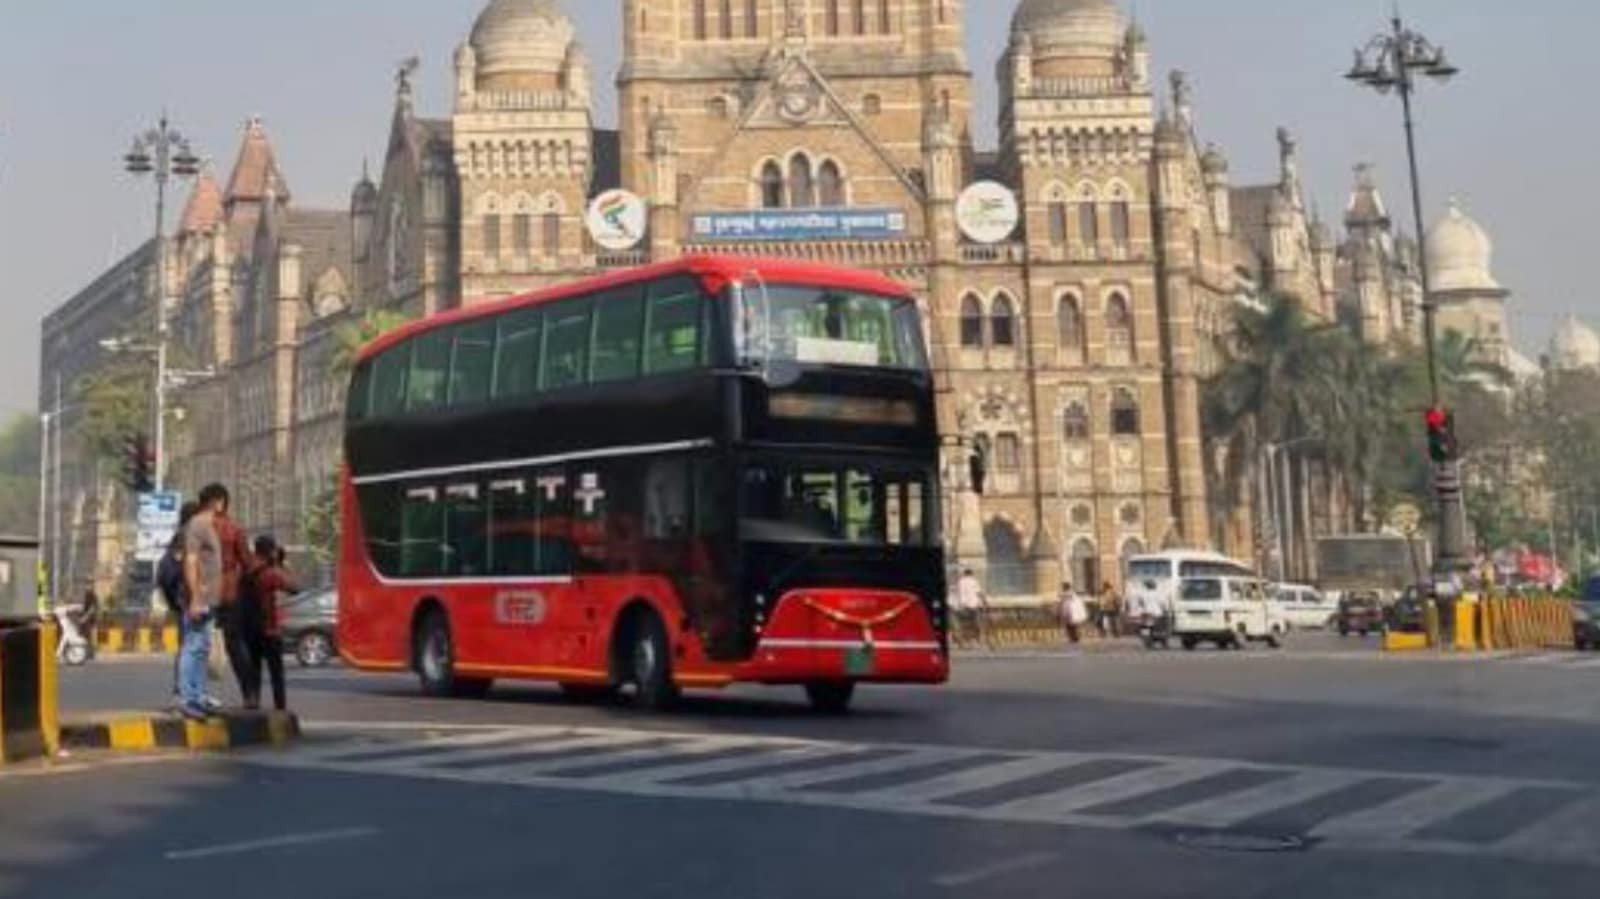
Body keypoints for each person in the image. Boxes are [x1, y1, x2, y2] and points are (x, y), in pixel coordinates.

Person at [178, 485, 229, 721]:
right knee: (192, 647)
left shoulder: (209, 527)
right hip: (200, 598)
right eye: (223, 502)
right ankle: (187, 699)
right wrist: (196, 597)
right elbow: (191, 561)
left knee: (202, 649)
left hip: (210, 598)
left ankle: (198, 696)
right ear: (217, 502)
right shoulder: (198, 525)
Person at [237, 536, 300, 711]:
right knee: (276, 672)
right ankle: (280, 706)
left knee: (254, 668)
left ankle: (253, 701)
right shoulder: (270, 573)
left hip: (247, 628)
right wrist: (281, 564)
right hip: (268, 628)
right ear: (271, 551)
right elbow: (294, 588)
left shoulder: (244, 569)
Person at [207, 485, 255, 706]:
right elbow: (247, 563)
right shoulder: (234, 529)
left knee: (196, 645)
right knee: (235, 645)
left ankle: (192, 694)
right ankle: (250, 694)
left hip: (205, 593)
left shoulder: (199, 527)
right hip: (230, 593)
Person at [156, 502, 201, 701]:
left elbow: (164, 574)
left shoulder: (179, 538)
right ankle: (184, 691)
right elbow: (169, 572)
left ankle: (189, 691)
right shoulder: (187, 538)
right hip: (190, 600)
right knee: (192, 648)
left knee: (190, 647)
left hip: (185, 600)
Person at [955, 568, 991, 649]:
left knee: (964, 624)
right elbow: (979, 592)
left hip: (963, 606)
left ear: (964, 574)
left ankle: (963, 642)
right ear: (971, 574)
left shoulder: (960, 582)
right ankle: (975, 641)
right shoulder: (974, 581)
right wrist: (985, 602)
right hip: (974, 605)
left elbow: (958, 594)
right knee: (976, 624)